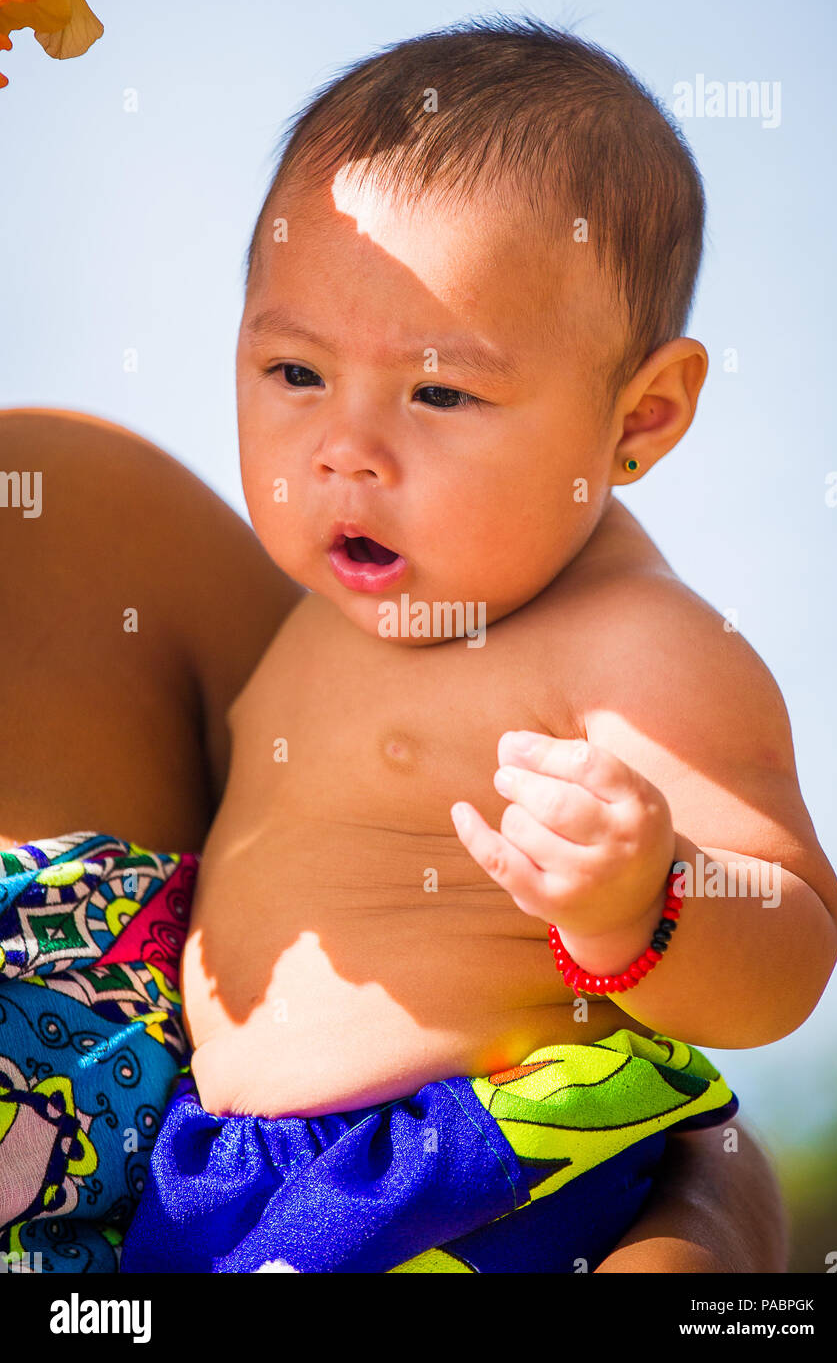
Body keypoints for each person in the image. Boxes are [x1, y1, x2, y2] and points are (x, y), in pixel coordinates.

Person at [0, 408, 786, 1274]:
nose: (346, 448)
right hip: (217, 1193)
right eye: (296, 374)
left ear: (641, 412)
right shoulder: (325, 627)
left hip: (466, 1170)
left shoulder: (632, 636)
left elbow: (787, 941)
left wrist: (644, 902)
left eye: (442, 391)